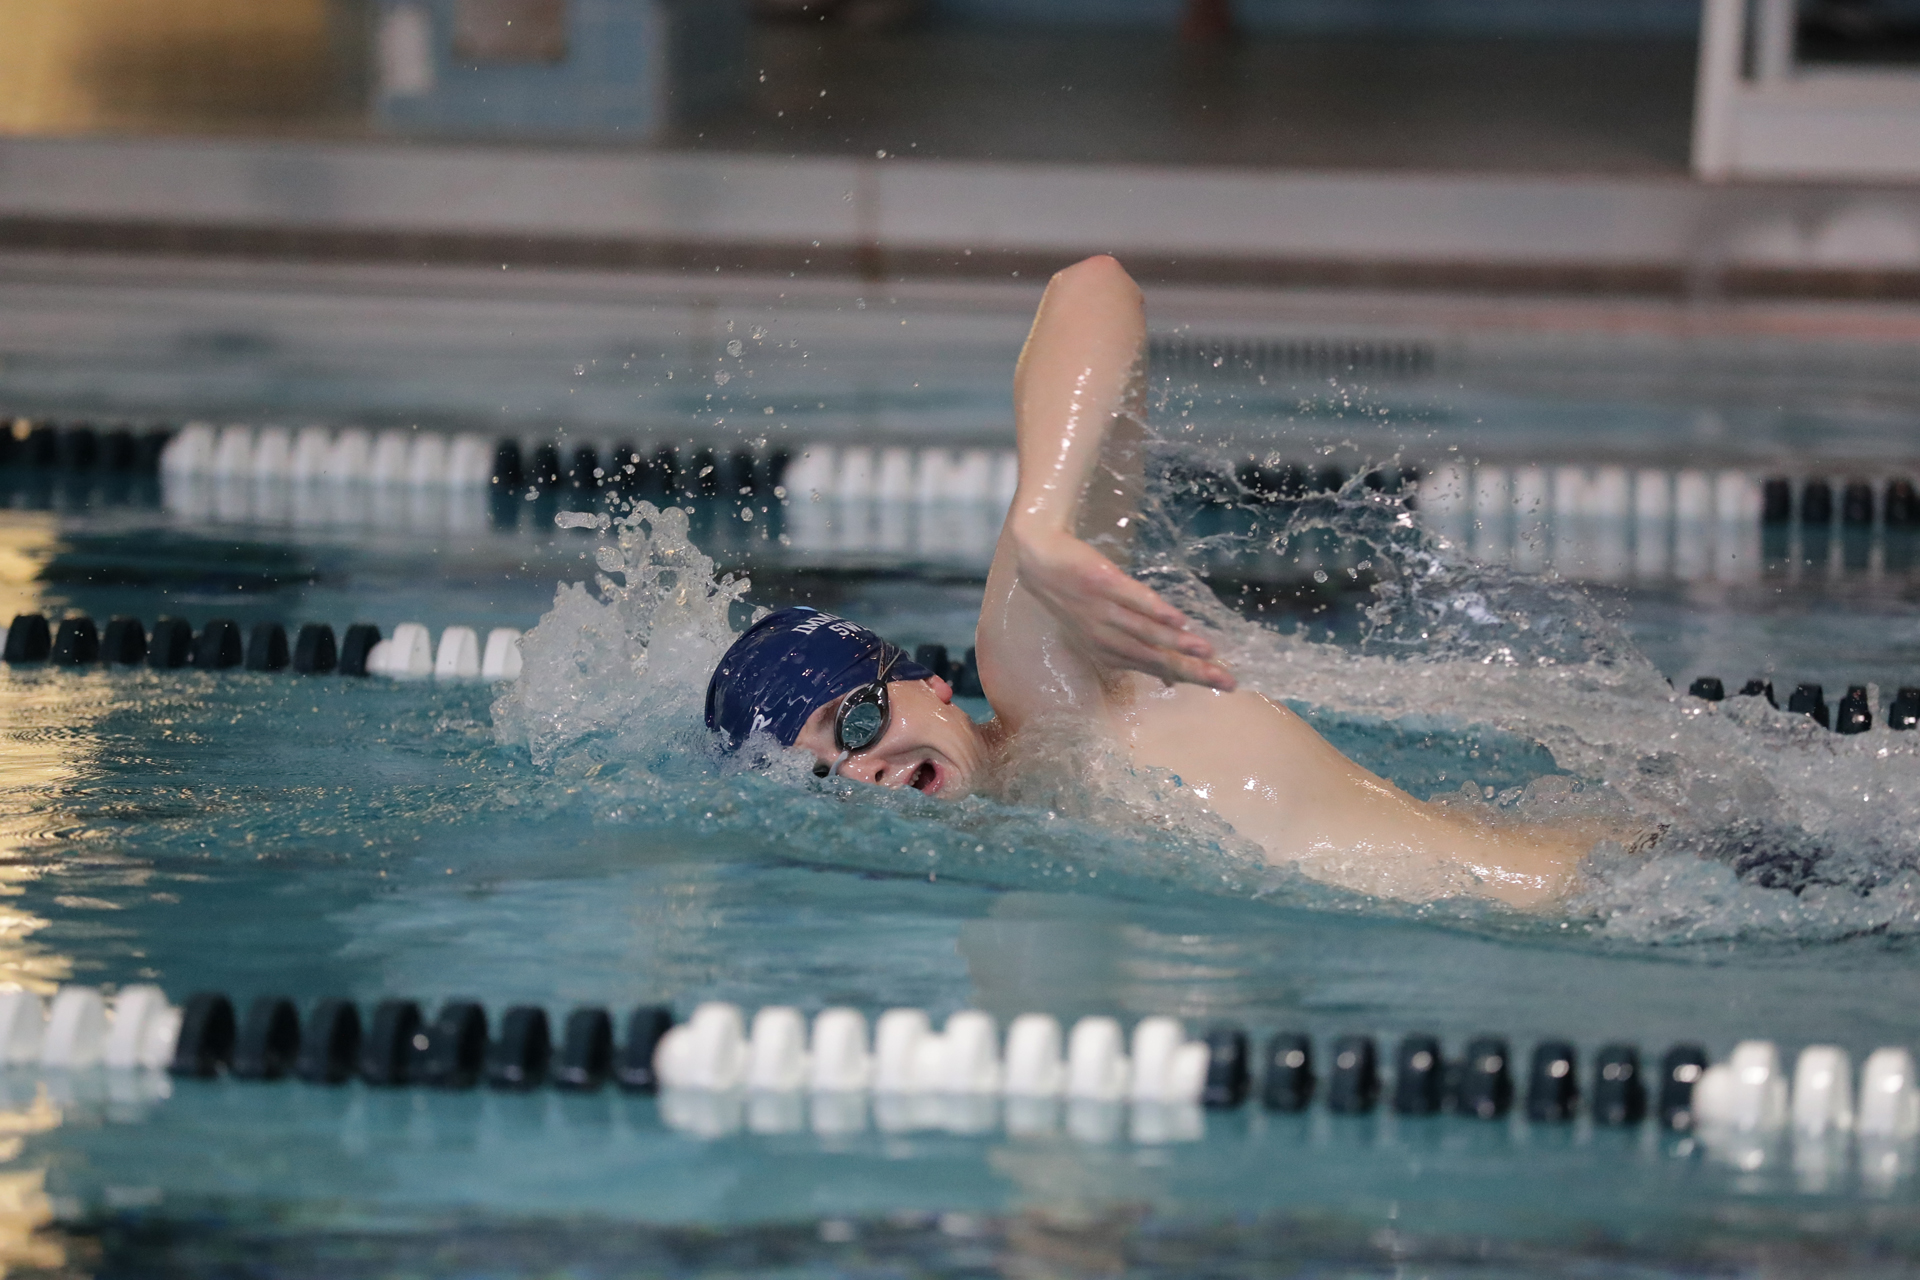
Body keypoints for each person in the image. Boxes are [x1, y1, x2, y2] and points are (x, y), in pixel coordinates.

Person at [705, 255, 1622, 909]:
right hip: (1611, 900)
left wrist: (1042, 524)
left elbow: (1093, 288)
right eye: (827, 780)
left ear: (927, 683)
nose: (864, 770)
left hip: (1667, 885)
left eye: (856, 722)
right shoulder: (1041, 847)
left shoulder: (1050, 696)